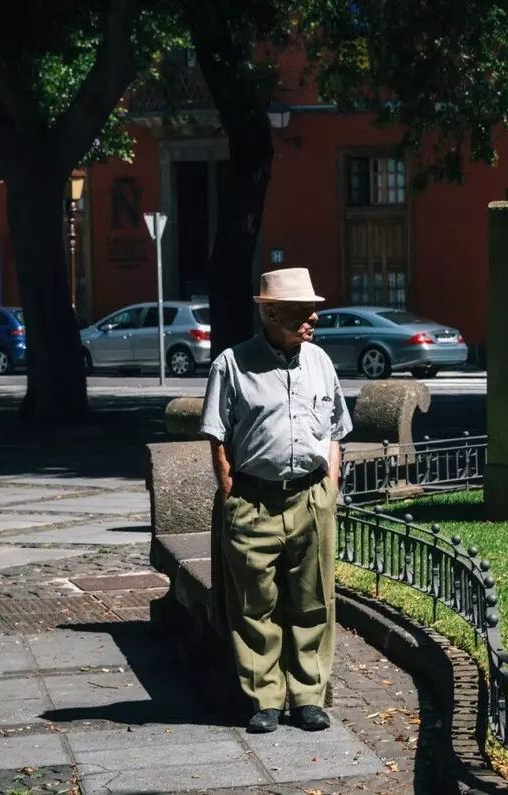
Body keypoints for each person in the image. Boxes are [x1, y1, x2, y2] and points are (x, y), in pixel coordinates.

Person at [198, 267, 352, 734]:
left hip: (311, 498)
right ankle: (263, 697)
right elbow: (217, 436)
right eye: (302, 312)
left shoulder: (321, 361)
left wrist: (331, 484)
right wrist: (230, 493)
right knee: (252, 605)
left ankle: (308, 696)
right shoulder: (232, 363)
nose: (314, 319)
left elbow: (335, 429)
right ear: (270, 313)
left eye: (314, 310)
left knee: (313, 601)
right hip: (253, 501)